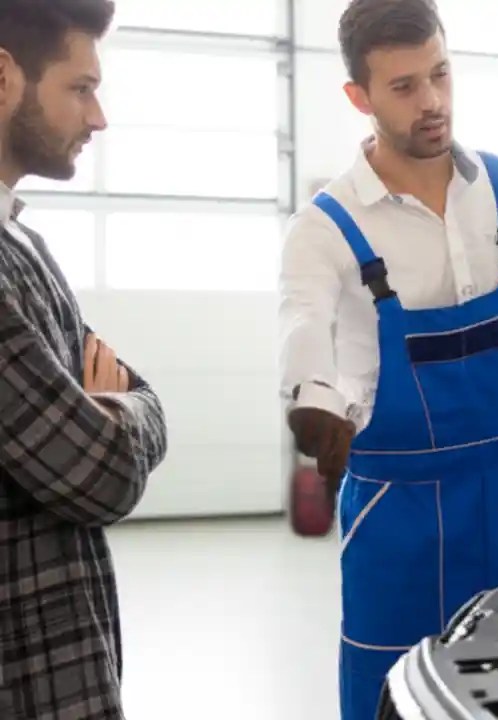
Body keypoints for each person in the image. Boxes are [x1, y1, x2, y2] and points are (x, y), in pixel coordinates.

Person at [277, 0, 498, 716]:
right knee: (390, 702)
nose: (432, 102)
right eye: (404, 87)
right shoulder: (325, 228)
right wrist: (314, 402)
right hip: (398, 522)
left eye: (441, 74)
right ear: (357, 97)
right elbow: (303, 328)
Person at [0, 1, 169, 718]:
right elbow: (99, 475)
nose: (98, 118)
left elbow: (142, 397)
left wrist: (120, 410)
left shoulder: (24, 249)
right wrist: (120, 417)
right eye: (79, 88)